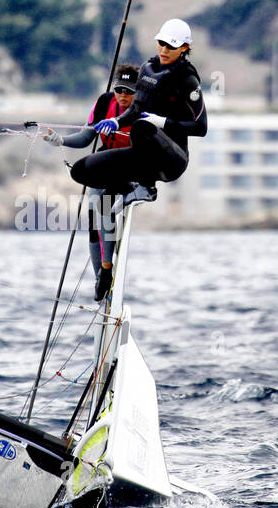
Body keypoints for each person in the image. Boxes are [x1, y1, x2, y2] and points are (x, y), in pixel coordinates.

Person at [61, 18, 208, 300]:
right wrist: (116, 122)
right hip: (141, 153)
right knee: (83, 173)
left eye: (172, 46)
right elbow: (133, 111)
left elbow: (200, 128)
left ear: (185, 48)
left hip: (171, 158)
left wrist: (161, 121)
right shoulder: (149, 71)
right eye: (161, 43)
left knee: (143, 127)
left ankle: (147, 188)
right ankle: (104, 272)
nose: (164, 49)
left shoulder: (188, 79)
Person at [43, 64, 139, 300]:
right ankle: (101, 279)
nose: (123, 96)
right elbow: (86, 137)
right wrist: (60, 140)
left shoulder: (142, 108)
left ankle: (107, 269)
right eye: (120, 90)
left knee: (105, 206)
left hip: (135, 165)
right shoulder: (105, 103)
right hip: (108, 158)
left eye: (129, 91)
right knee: (94, 215)